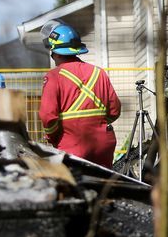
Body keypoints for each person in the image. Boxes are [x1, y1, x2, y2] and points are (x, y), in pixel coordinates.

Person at [38, 23, 122, 168]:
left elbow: (48, 117)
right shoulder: (99, 73)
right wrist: (96, 123)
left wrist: (54, 138)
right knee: (101, 188)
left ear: (55, 52)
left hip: (72, 144)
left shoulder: (54, 77)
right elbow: (114, 110)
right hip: (103, 145)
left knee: (73, 188)